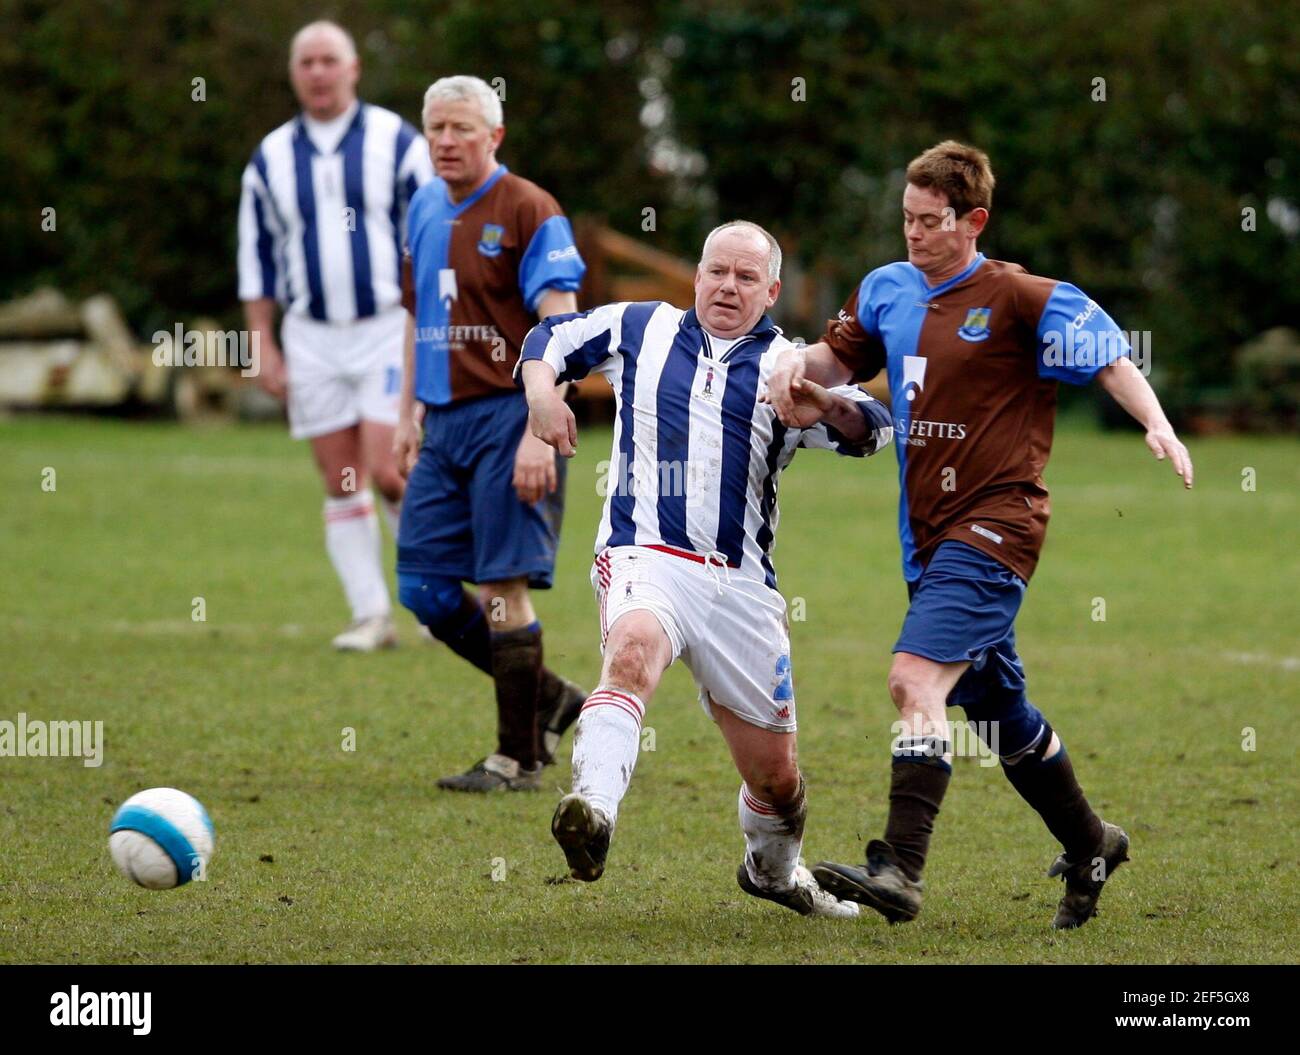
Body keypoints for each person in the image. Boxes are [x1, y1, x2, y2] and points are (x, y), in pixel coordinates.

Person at [768, 141, 1193, 929]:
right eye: (906, 219)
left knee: (913, 681)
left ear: (974, 221)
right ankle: (1092, 842)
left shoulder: (1023, 297)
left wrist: (1158, 422)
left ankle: (900, 868)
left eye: (931, 223)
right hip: (927, 540)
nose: (914, 235)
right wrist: (800, 379)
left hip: (998, 523)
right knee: (1001, 716)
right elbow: (838, 358)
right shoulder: (886, 290)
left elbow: (1108, 359)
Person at [519, 221, 895, 917]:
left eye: (746, 277)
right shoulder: (642, 326)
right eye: (716, 270)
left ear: (772, 291)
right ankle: (592, 811)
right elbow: (549, 340)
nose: (727, 285)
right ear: (696, 275)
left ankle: (774, 871)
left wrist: (827, 404)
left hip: (740, 586)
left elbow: (873, 428)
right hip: (645, 552)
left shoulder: (789, 363)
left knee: (778, 781)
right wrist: (543, 394)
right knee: (629, 655)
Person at [394, 76, 589, 791]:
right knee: (423, 587)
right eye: (436, 128)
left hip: (511, 415)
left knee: (503, 588)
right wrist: (407, 412)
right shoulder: (419, 206)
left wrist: (540, 429)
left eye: (462, 129)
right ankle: (548, 697)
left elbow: (564, 327)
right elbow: (418, 319)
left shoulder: (530, 208)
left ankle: (516, 758)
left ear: (494, 137)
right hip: (442, 422)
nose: (446, 141)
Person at [237, 20, 433, 651]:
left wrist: (430, 323)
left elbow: (430, 235)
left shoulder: (396, 142)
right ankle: (370, 614)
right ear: (294, 73)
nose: (318, 72)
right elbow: (257, 255)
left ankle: (430, 598)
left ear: (353, 68)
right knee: (339, 476)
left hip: (383, 328)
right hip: (312, 336)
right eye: (306, 62)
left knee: (389, 470)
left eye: (329, 60)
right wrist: (263, 342)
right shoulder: (270, 157)